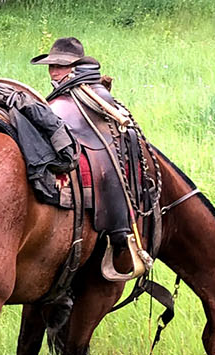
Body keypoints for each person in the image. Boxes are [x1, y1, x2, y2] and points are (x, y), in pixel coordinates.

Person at [34, 36, 146, 276]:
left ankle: (119, 233)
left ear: (75, 68)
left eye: (60, 66)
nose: (54, 72)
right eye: (52, 66)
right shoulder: (61, 97)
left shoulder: (87, 94)